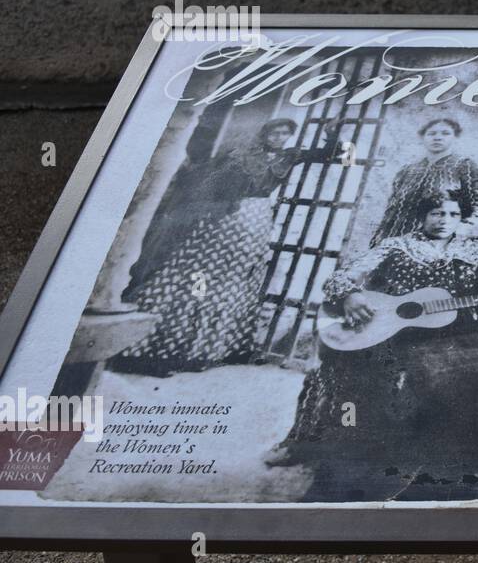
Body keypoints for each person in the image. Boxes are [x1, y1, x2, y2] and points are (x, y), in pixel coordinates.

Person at [286, 188, 478, 503]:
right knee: (368, 384)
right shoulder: (395, 246)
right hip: (391, 332)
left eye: (453, 214)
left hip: (454, 335)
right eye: (437, 213)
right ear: (422, 216)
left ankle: (458, 464)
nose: (445, 220)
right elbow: (340, 277)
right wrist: (351, 295)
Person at [109, 116, 343, 376]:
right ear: (264, 134)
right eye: (274, 133)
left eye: (284, 134)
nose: (278, 138)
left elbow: (331, 154)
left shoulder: (289, 156)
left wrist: (331, 134)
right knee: (194, 278)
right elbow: (207, 184)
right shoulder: (238, 156)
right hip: (222, 220)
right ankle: (155, 348)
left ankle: (204, 351)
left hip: (255, 220)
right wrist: (214, 205)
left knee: (230, 282)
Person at [369, 117, 478, 245]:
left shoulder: (465, 166)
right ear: (423, 138)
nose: (437, 137)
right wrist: (379, 238)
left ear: (455, 137)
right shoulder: (408, 169)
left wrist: (452, 232)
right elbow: (392, 208)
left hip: (433, 243)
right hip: (392, 238)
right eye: (431, 133)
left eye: (445, 133)